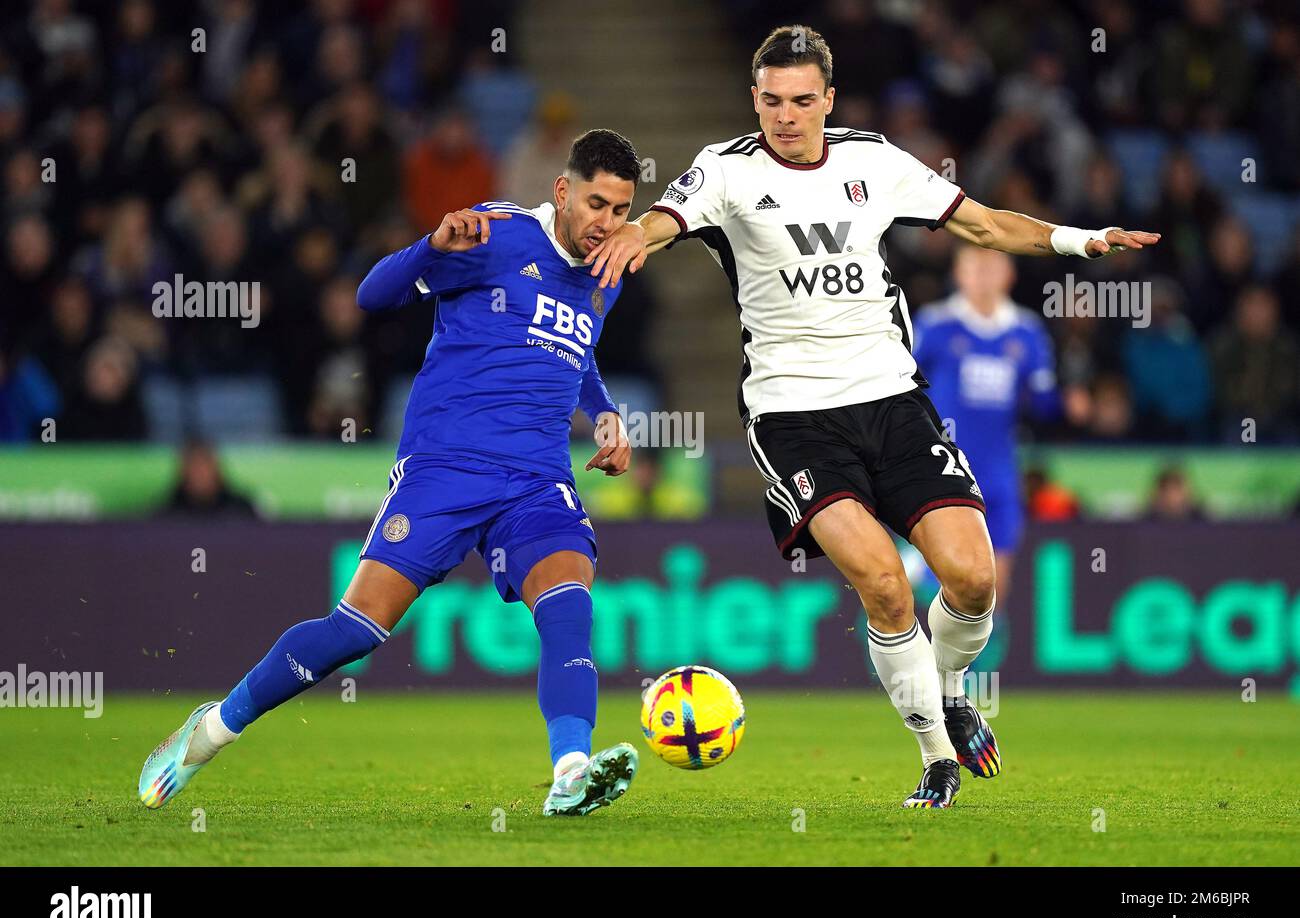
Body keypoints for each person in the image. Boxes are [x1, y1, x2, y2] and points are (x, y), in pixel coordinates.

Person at [585, 25, 1159, 808]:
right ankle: (935, 760)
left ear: (828, 99)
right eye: (771, 101)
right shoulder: (724, 171)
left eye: (801, 101)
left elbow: (983, 223)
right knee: (886, 586)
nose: (786, 116)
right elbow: (662, 220)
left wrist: (1079, 239)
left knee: (973, 577)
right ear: (754, 99)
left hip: (893, 401)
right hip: (793, 416)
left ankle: (952, 691)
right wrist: (632, 237)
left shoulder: (874, 161)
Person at [139, 130, 642, 817]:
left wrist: (606, 413)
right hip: (444, 469)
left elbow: (575, 349)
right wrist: (431, 247)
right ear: (562, 190)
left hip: (537, 478)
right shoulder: (494, 235)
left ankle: (571, 772)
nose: (606, 225)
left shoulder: (607, 270)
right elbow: (374, 295)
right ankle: (211, 731)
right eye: (595, 204)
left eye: (619, 210)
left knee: (568, 607)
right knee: (354, 630)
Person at [913, 245, 1068, 659]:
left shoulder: (1026, 331)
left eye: (991, 267)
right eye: (973, 267)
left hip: (999, 470)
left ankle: (965, 670)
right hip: (944, 468)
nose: (982, 276)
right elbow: (902, 382)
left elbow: (1043, 403)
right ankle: (936, 665)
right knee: (950, 574)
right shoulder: (935, 325)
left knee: (994, 581)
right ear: (958, 274)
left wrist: (1067, 403)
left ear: (1008, 275)